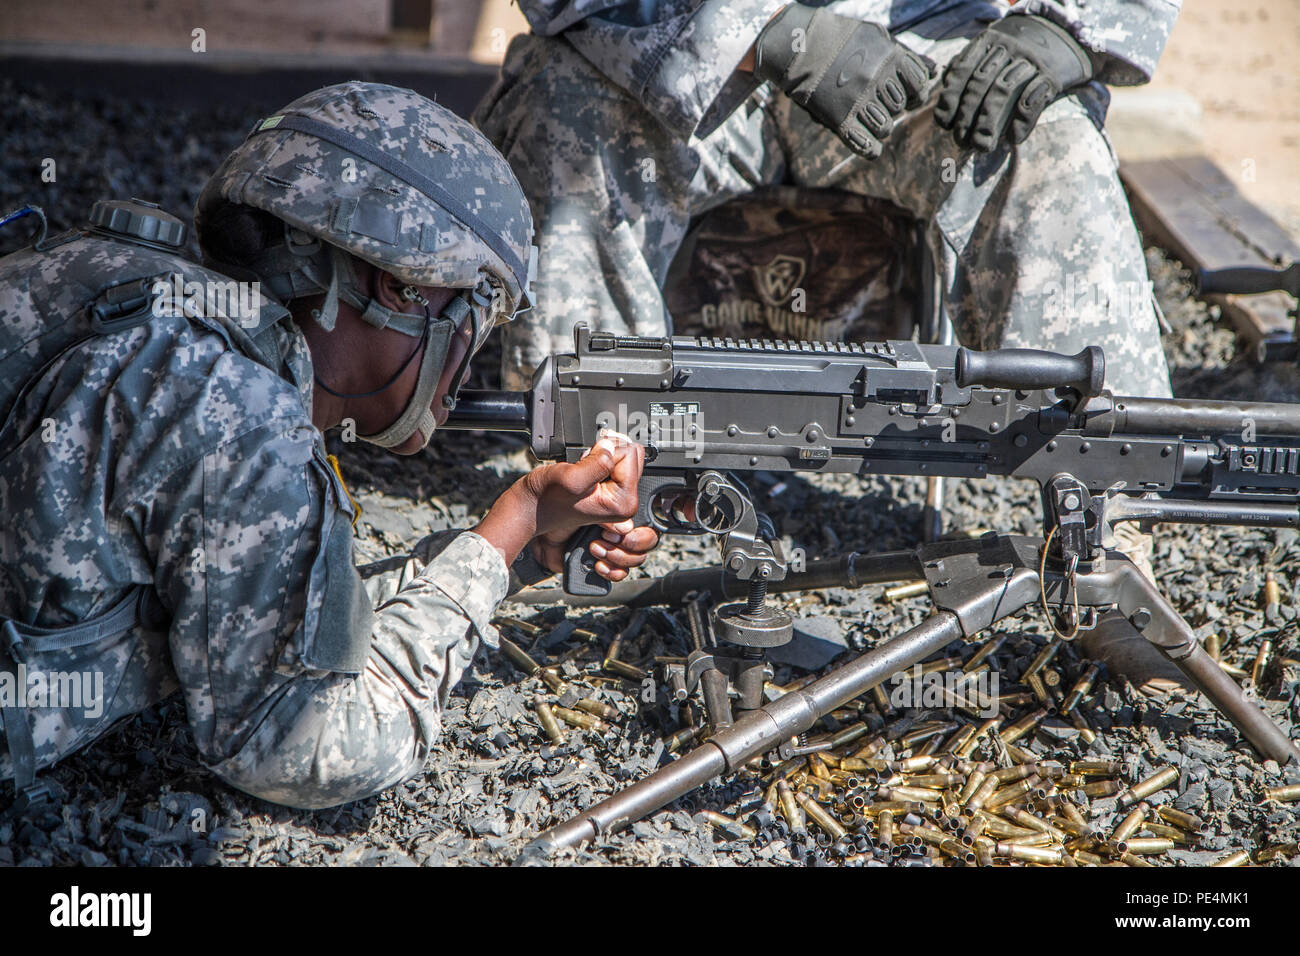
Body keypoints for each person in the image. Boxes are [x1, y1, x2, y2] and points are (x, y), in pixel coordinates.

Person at [0, 82, 660, 811]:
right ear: (398, 290)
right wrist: (514, 526)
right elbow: (306, 745)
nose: (464, 369)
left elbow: (266, 606)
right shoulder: (241, 415)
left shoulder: (109, 281)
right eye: (475, 319)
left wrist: (508, 551)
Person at [475, 0, 1180, 399]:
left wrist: (1074, 27)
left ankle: (1108, 541)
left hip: (920, 46)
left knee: (1051, 148)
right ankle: (588, 481)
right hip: (678, 36)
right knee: (563, 116)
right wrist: (765, 31)